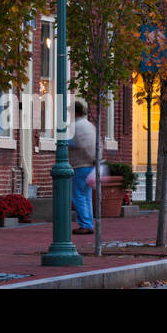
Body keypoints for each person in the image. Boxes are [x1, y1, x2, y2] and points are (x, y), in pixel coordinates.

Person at [68, 98, 97, 234]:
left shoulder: (76, 126)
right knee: (87, 196)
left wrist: (63, 143)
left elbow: (77, 143)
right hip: (91, 165)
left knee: (78, 196)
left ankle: (85, 224)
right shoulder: (90, 126)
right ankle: (89, 222)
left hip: (80, 165)